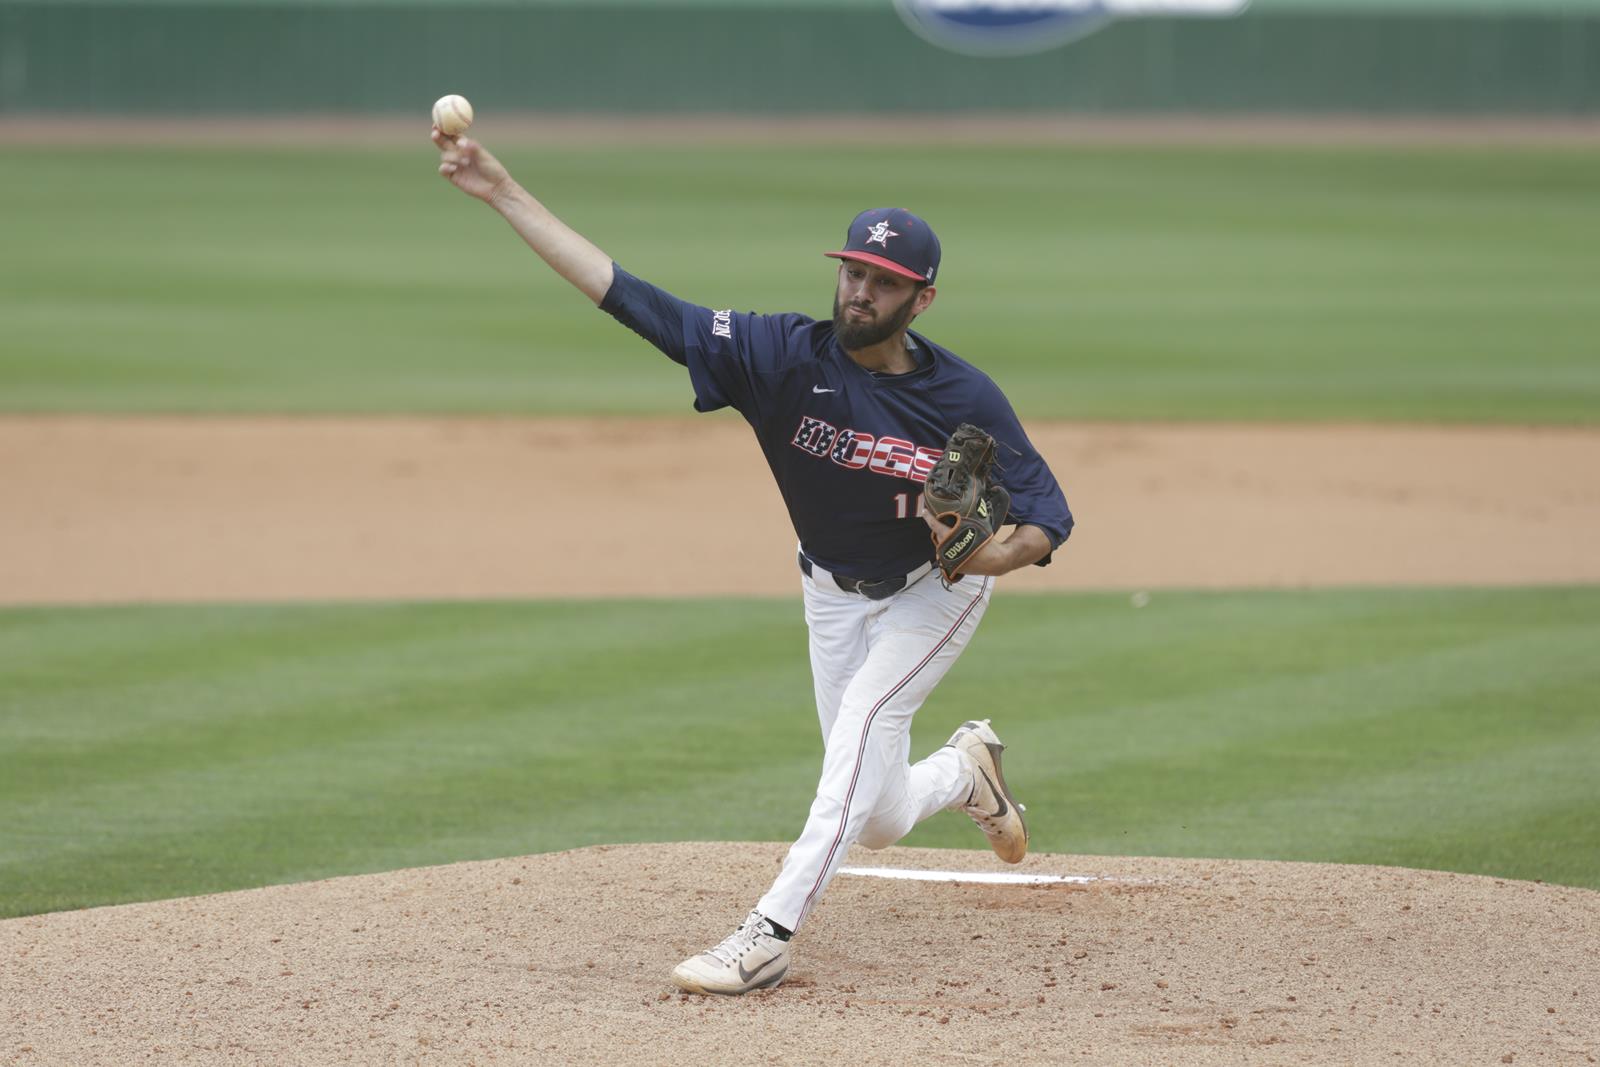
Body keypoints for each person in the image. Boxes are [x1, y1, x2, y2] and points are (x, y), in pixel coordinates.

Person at [431, 127, 1074, 996]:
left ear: (921, 300)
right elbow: (629, 297)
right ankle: (968, 771)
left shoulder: (962, 396)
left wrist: (995, 554)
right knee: (876, 812)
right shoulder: (777, 354)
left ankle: (767, 932)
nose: (859, 292)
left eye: (884, 283)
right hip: (830, 593)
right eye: (853, 272)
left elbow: (1048, 517)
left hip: (934, 594)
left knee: (857, 734)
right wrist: (503, 191)